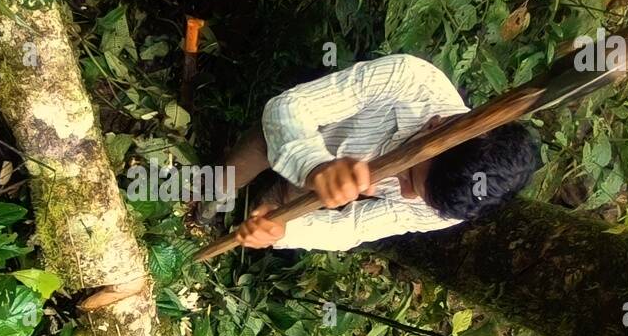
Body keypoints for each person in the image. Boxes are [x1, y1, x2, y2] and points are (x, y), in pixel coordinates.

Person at [203, 54, 540, 251]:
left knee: (286, 211)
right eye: (410, 176)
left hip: (319, 192)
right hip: (305, 136)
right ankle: (209, 196)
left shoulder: (447, 203)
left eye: (418, 196)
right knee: (264, 143)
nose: (405, 194)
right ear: (436, 125)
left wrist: (283, 231)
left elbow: (354, 228)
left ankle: (264, 206)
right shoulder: (410, 79)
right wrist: (316, 166)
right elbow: (288, 108)